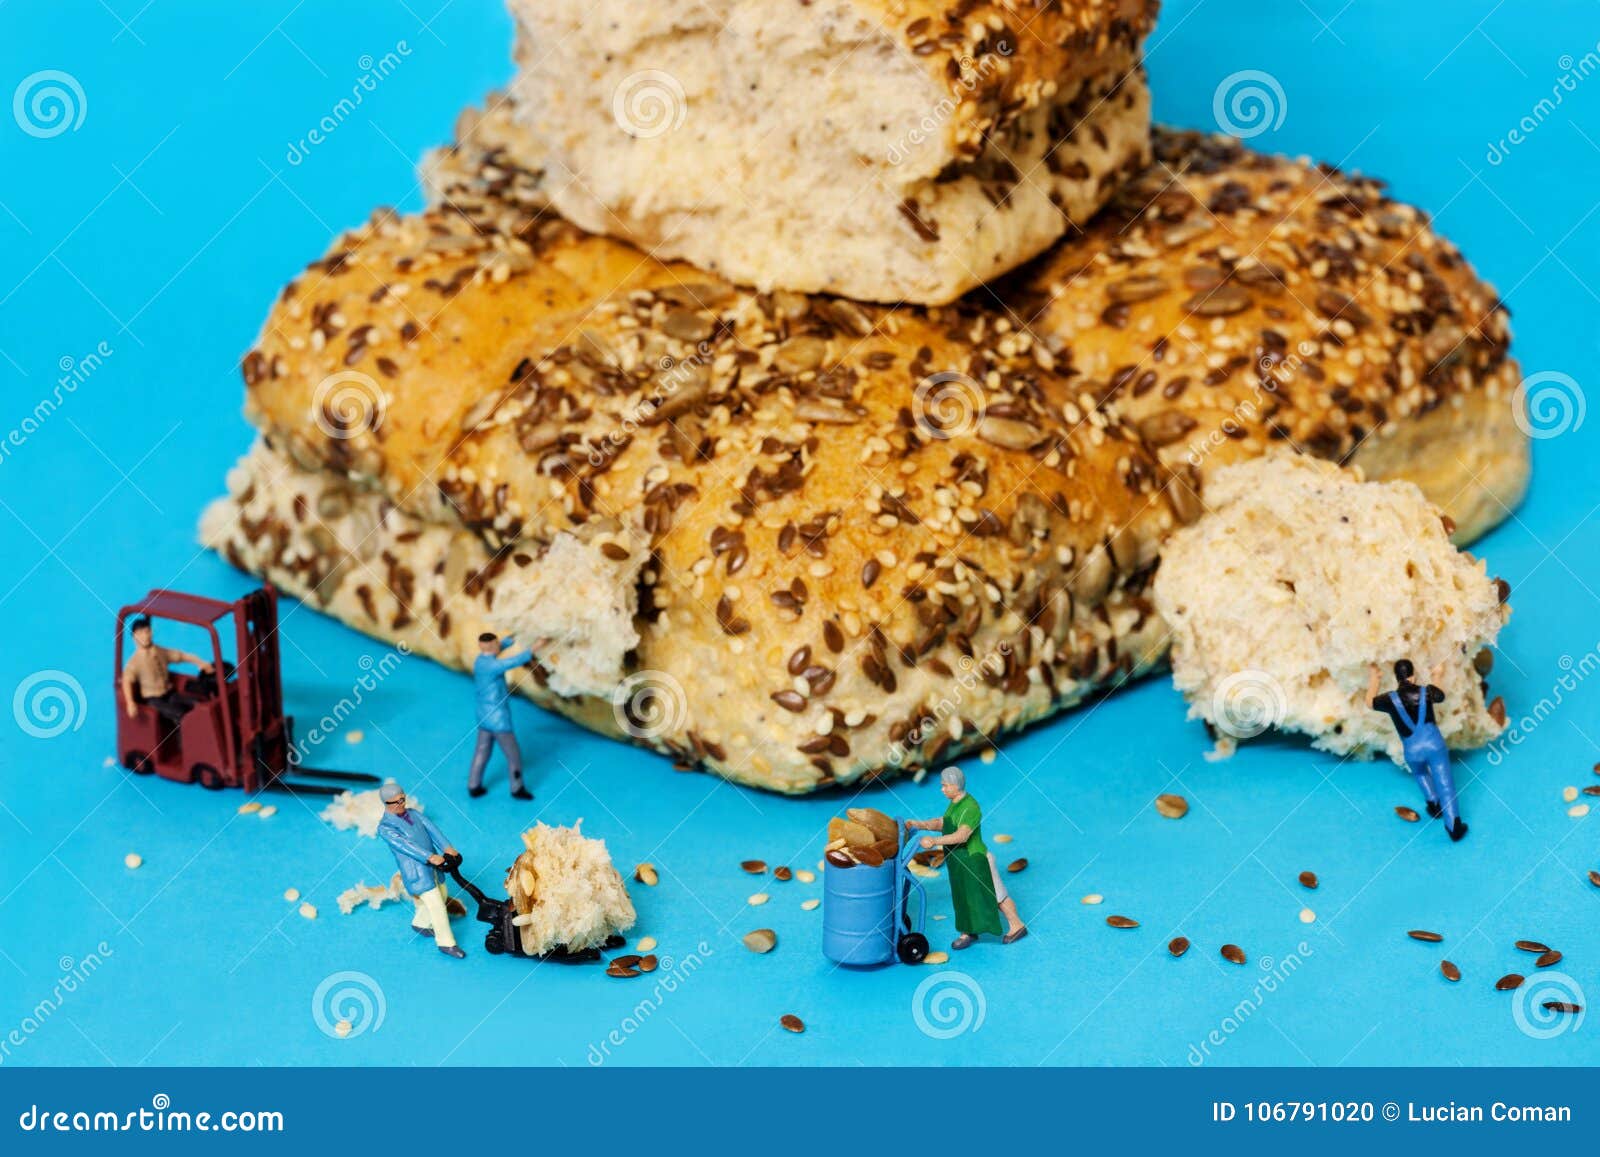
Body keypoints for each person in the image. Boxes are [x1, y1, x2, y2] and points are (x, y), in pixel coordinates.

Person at [906, 766, 1027, 950]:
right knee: (963, 897)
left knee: (997, 895)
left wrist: (935, 841)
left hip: (976, 860)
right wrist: (919, 824)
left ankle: (1017, 925)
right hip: (960, 863)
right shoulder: (955, 803)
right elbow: (944, 822)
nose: (942, 789)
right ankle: (968, 931)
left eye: (945, 785)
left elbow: (962, 835)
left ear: (956, 785)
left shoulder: (971, 807)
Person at [1368, 659, 1467, 842]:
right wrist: (1437, 674)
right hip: (1434, 746)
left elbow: (1370, 702)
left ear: (1397, 678)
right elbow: (1441, 695)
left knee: (1420, 774)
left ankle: (1434, 804)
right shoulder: (1426, 691)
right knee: (1445, 782)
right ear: (1412, 676)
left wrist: (1375, 678)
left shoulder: (1390, 699)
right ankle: (1453, 825)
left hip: (1412, 750)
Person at [376, 782, 468, 958]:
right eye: (397, 802)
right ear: (386, 803)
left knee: (442, 894)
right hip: (417, 872)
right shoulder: (385, 828)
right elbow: (405, 845)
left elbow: (433, 830)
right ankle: (446, 943)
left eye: (403, 799)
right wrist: (429, 856)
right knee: (438, 906)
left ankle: (421, 923)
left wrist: (447, 847)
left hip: (434, 867)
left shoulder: (414, 813)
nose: (402, 804)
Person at [468, 632, 541, 800]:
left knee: (482, 751)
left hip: (483, 716)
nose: (499, 645)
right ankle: (517, 787)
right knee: (513, 755)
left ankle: (473, 784)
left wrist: (513, 637)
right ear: (490, 646)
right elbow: (514, 661)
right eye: (497, 643)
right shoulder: (494, 666)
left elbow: (499, 648)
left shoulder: (480, 661)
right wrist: (536, 647)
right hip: (498, 719)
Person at [120, 617, 213, 723]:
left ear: (151, 632)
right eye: (140, 633)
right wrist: (130, 702)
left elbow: (181, 656)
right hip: (153, 699)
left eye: (147, 631)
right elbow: (127, 681)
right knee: (180, 714)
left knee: (197, 704)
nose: (145, 636)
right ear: (134, 637)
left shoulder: (160, 651)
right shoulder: (134, 662)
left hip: (170, 693)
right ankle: (184, 732)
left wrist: (200, 662)